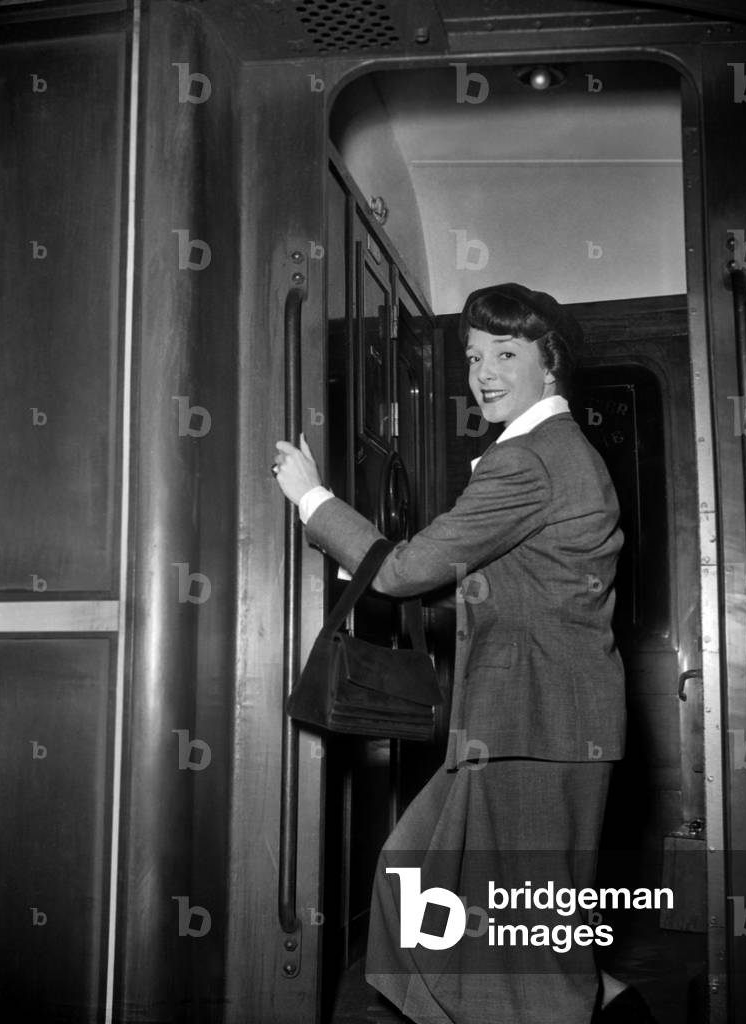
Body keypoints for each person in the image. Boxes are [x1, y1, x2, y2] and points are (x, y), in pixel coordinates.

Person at [273, 283, 654, 1023]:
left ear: (550, 363)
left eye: (505, 354)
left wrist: (313, 499)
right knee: (417, 880)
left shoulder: (532, 460)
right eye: (475, 356)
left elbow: (406, 571)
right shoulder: (543, 454)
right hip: (523, 725)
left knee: (529, 943)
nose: (484, 372)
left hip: (536, 729)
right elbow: (503, 593)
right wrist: (376, 571)